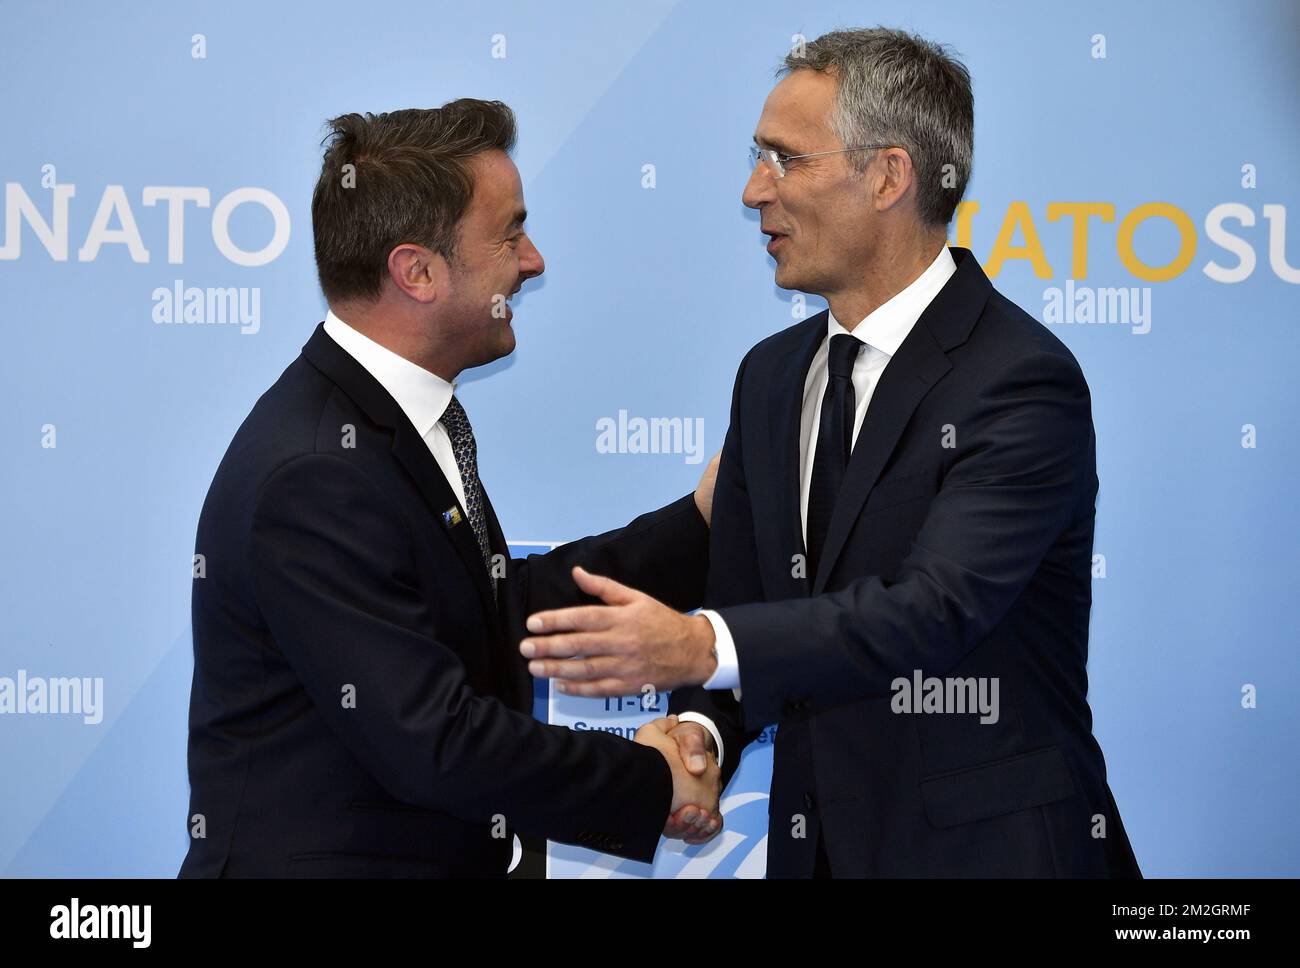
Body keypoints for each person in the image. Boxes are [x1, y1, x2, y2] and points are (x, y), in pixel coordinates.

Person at [520, 28, 1141, 877]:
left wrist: (701, 646)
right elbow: (742, 595)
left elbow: (933, 608)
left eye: (784, 159)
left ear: (888, 175)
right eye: (757, 157)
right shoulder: (770, 378)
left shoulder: (1019, 380)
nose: (753, 191)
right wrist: (701, 732)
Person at [180, 99, 719, 878]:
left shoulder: (392, 420)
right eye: (510, 234)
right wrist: (650, 781)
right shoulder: (316, 474)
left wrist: (699, 523)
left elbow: (492, 607)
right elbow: (433, 739)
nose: (533, 260)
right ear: (418, 271)